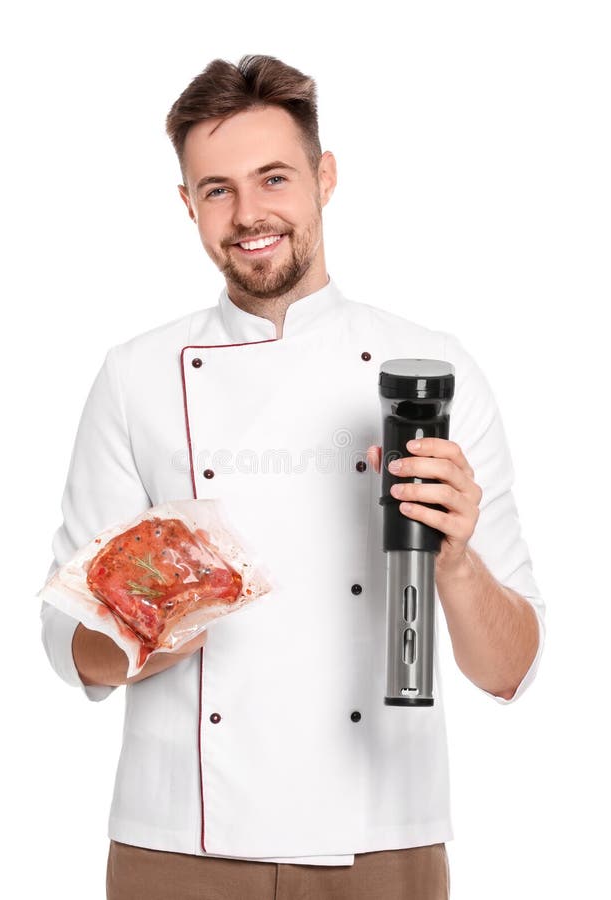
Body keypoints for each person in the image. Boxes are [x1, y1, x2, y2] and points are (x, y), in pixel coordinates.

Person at [40, 54, 546, 900]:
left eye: (273, 177)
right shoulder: (136, 375)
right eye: (216, 188)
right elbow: (68, 649)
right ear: (188, 205)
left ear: (325, 176)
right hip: (180, 839)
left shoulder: (432, 369)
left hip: (383, 837)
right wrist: (150, 620)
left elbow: (511, 671)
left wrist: (455, 559)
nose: (248, 214)